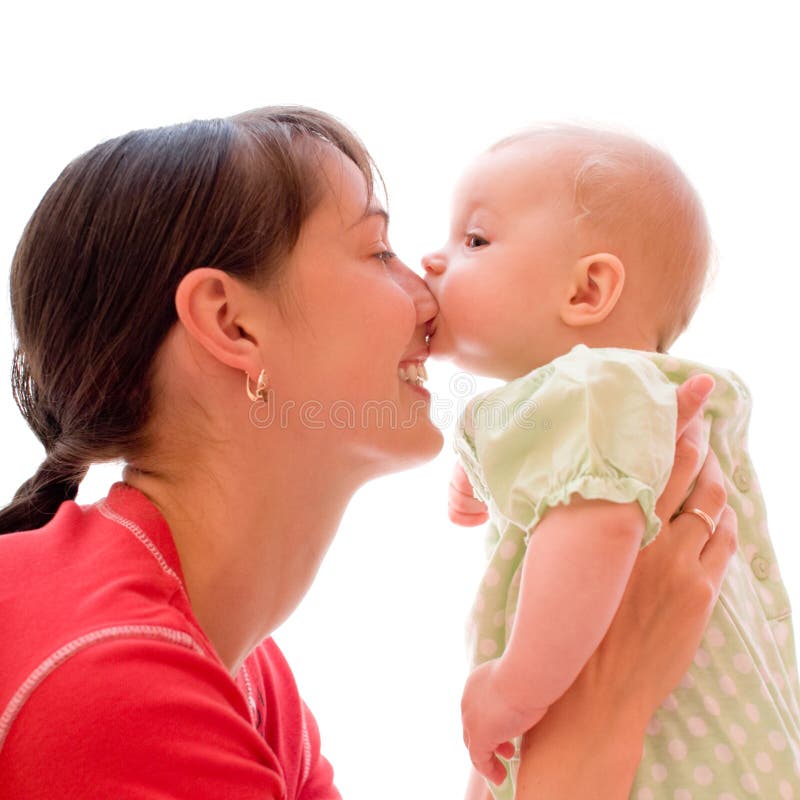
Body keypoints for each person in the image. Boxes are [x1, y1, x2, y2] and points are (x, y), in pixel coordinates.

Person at [0, 107, 736, 799]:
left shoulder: (242, 675)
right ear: (232, 324)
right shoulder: (113, 682)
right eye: (378, 249)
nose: (426, 289)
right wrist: (607, 706)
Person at [426, 125, 800, 798]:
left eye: (475, 240)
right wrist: (484, 469)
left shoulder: (594, 387)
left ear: (588, 290)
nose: (433, 259)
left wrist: (514, 688)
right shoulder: (619, 403)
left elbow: (599, 532)